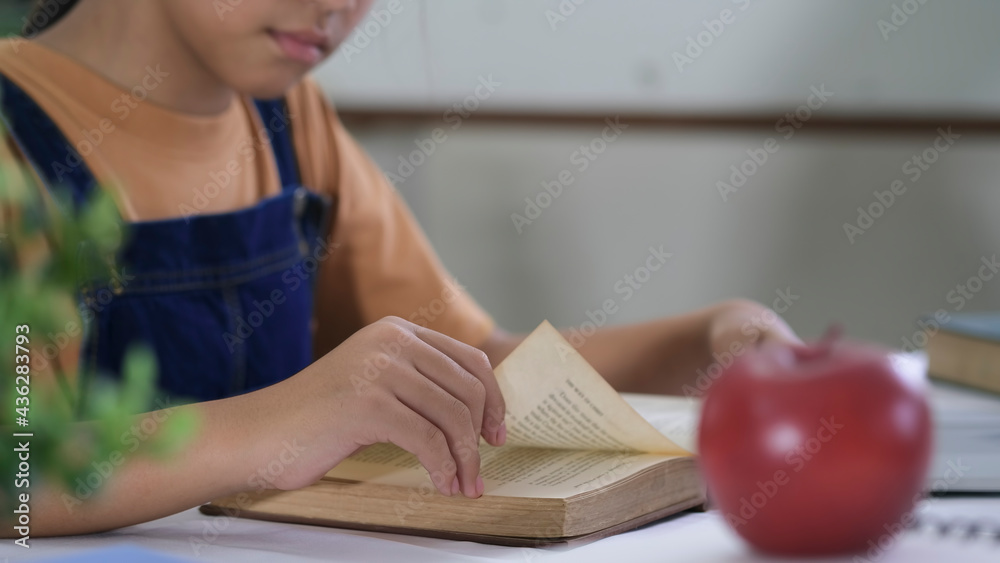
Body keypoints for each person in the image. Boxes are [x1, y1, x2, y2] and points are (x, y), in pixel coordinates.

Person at [0, 0, 800, 537]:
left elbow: (473, 364)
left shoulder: (285, 118)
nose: (341, 8)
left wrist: (703, 338)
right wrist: (285, 420)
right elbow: (18, 474)